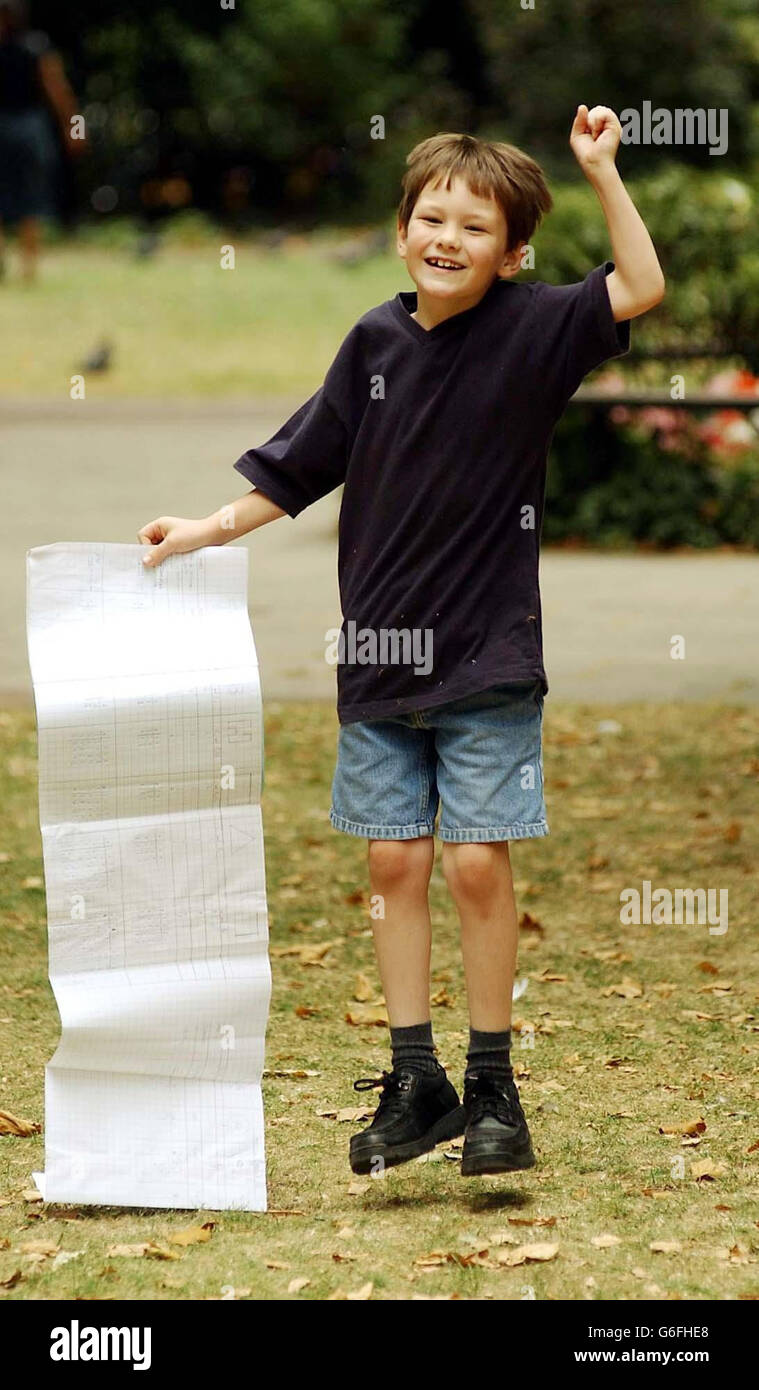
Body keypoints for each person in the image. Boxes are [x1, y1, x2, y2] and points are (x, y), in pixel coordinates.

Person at [138, 106, 665, 1179]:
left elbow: (640, 286)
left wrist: (602, 172)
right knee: (392, 859)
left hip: (488, 658)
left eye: (476, 227)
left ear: (511, 254)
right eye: (432, 217)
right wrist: (204, 529)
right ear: (399, 230)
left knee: (474, 861)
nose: (448, 237)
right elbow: (295, 469)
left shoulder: (534, 330)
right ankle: (415, 1079)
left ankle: (493, 1085)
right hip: (378, 659)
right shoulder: (373, 345)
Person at [0, 0, 82, 282]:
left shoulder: (35, 46)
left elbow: (58, 91)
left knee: (28, 195)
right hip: (30, 128)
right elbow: (61, 92)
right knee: (31, 196)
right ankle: (28, 269)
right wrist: (76, 130)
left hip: (23, 125)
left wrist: (75, 129)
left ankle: (27, 268)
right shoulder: (39, 46)